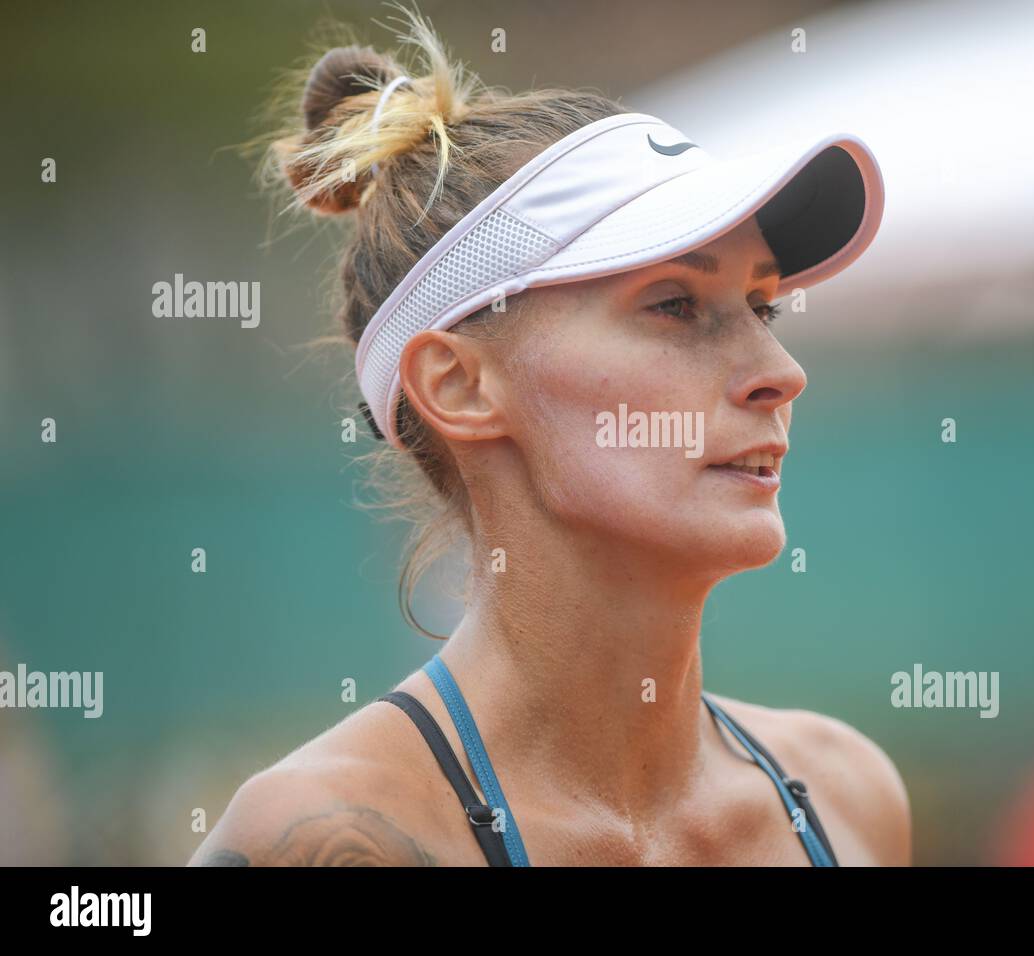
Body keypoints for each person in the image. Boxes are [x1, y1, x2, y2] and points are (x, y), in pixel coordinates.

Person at [190, 10, 909, 867]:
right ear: (458, 386)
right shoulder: (323, 839)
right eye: (675, 304)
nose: (780, 372)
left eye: (762, 306)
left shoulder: (850, 794)